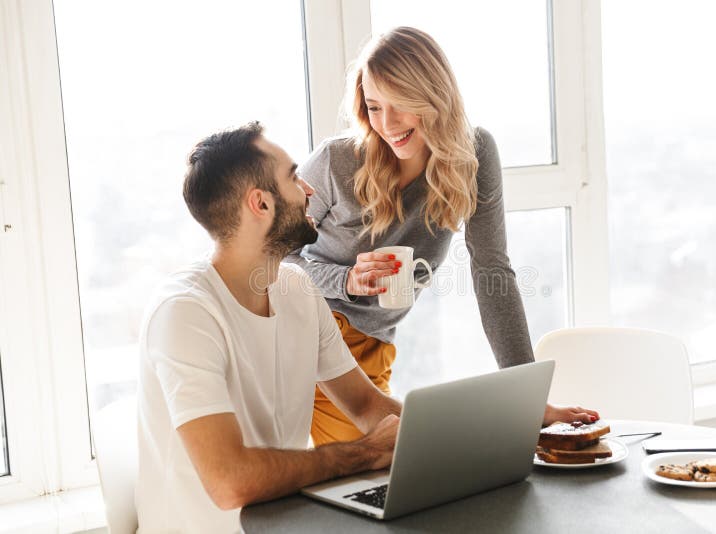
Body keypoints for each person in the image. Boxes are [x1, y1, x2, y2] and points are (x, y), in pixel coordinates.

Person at [287, 26, 598, 446]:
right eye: (374, 106)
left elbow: (493, 272)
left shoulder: (474, 154)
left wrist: (529, 397)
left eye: (400, 104)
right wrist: (344, 281)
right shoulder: (335, 160)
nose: (387, 124)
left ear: (433, 95)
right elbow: (274, 256)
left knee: (400, 477)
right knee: (366, 477)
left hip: (371, 350)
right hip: (306, 337)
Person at [136, 122, 401, 534]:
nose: (309, 189)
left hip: (284, 524)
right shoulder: (184, 313)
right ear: (260, 204)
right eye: (294, 177)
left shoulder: (297, 287)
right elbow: (230, 482)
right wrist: (364, 453)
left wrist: (471, 429)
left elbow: (367, 407)